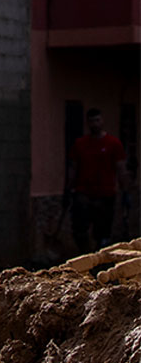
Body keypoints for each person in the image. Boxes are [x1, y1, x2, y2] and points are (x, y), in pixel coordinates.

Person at [69, 109, 130, 255]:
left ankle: (100, 258)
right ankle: (85, 255)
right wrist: (68, 189)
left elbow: (121, 168)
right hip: (84, 192)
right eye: (92, 121)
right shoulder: (80, 144)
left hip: (105, 194)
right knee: (80, 228)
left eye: (97, 120)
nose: (95, 124)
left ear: (102, 121)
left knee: (102, 232)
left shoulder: (113, 144)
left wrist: (125, 191)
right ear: (87, 123)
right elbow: (73, 168)